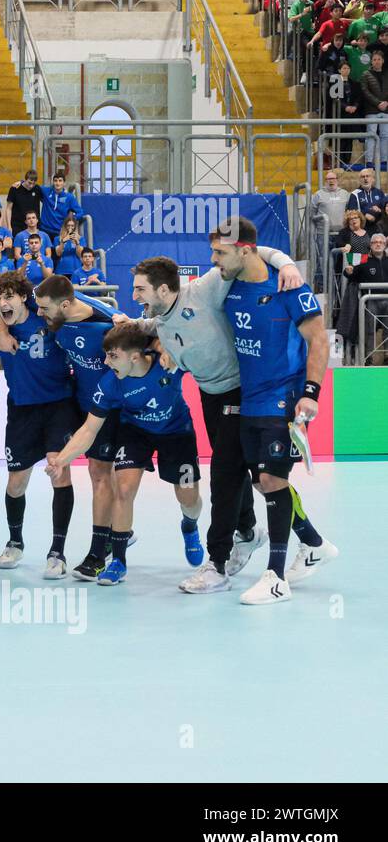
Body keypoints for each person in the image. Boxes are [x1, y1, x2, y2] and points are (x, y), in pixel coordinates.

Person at [123, 247, 301, 592]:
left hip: (239, 391)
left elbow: (250, 248)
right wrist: (130, 324)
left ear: (163, 289)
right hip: (208, 394)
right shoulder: (159, 316)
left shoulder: (204, 289)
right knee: (240, 474)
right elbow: (154, 325)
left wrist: (287, 264)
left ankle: (216, 564)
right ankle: (250, 532)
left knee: (222, 475)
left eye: (140, 289)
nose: (134, 295)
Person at [211, 219, 337, 605]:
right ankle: (314, 543)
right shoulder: (228, 286)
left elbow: (318, 340)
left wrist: (311, 394)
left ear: (244, 249)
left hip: (284, 399)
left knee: (273, 481)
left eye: (221, 252)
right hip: (249, 399)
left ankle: (276, 577)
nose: (214, 261)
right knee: (263, 480)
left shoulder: (289, 287)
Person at [47, 322, 205, 586]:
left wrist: (165, 344)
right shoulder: (110, 384)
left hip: (177, 432)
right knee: (124, 489)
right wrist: (62, 460)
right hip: (136, 432)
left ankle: (189, 525)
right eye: (107, 355)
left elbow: (194, 342)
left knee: (188, 497)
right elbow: (88, 430)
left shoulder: (168, 364)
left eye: (113, 356)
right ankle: (118, 562)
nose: (107, 363)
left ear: (134, 356)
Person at [30, 275, 121, 580]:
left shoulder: (107, 324)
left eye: (44, 308)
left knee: (99, 473)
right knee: (94, 473)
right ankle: (113, 535)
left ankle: (98, 552)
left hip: (109, 408)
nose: (39, 313)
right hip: (77, 401)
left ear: (66, 305)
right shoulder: (58, 317)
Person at [0, 269, 77, 578]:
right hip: (22, 409)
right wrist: (0, 325)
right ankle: (15, 541)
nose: (2, 303)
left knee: (57, 470)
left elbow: (79, 304)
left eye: (9, 297)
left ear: (25, 297)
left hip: (58, 405)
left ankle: (57, 552)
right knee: (16, 483)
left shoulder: (48, 320)